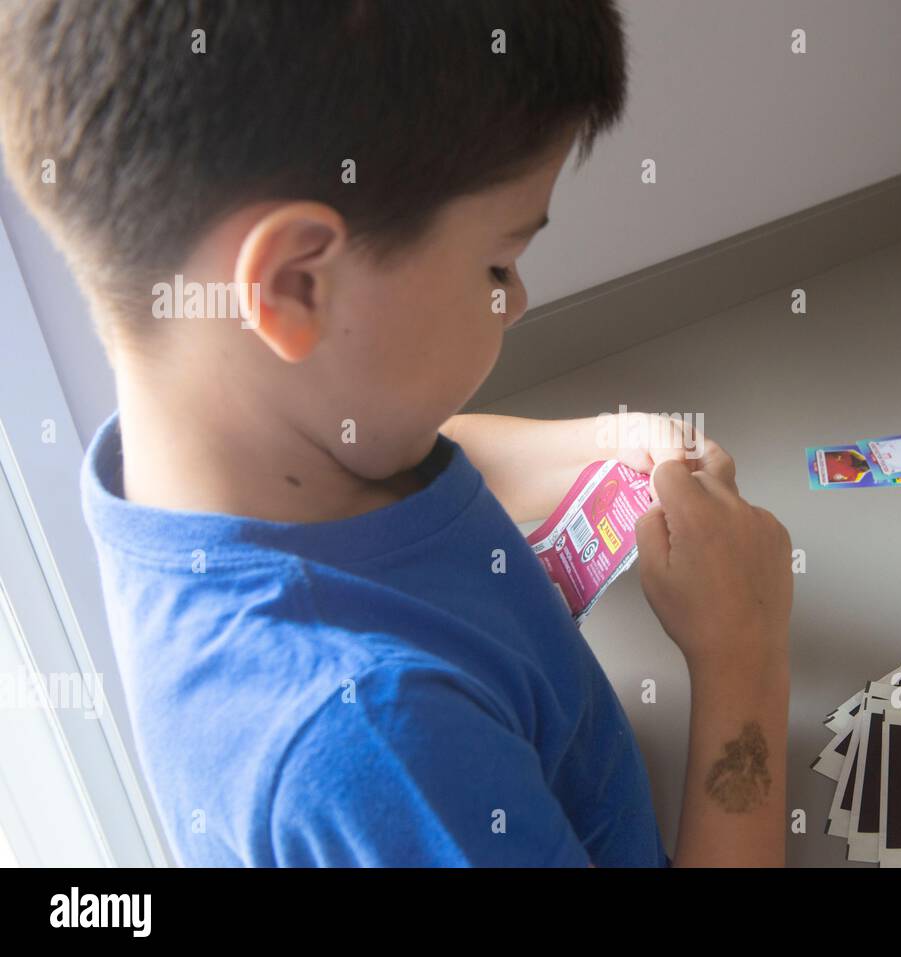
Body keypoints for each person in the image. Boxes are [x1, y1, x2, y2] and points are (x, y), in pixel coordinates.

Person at [0, 0, 794, 867]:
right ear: (296, 287)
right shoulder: (377, 741)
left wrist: (609, 446)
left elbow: (417, 461)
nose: (517, 300)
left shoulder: (199, 451)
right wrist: (742, 658)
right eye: (498, 264)